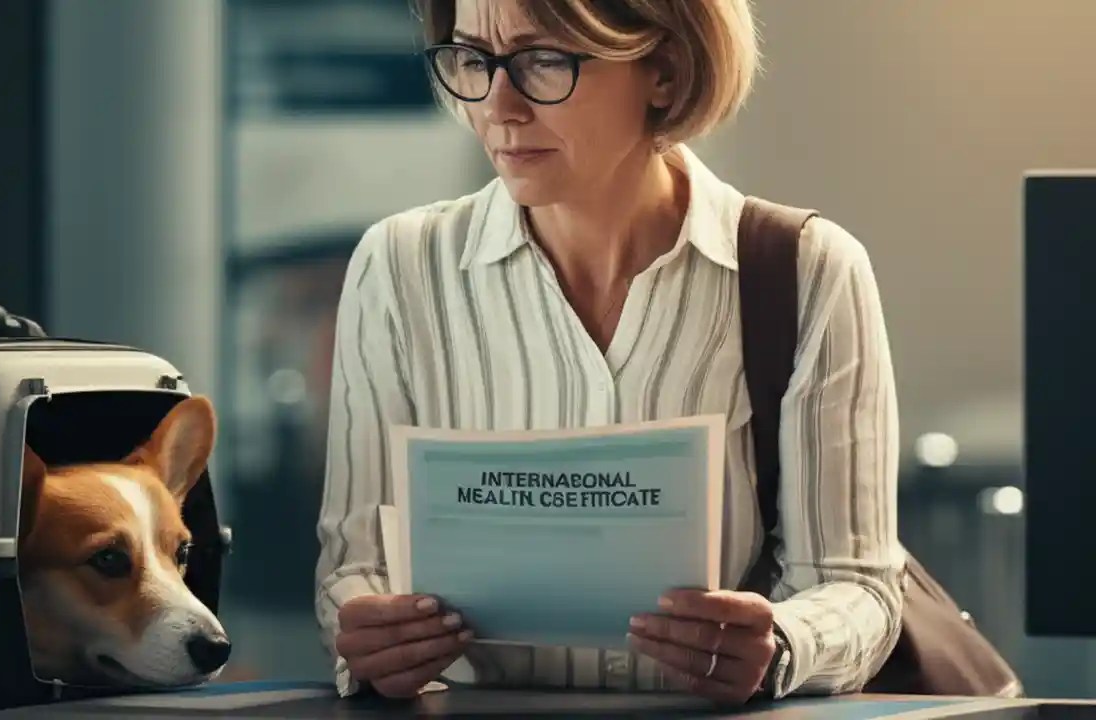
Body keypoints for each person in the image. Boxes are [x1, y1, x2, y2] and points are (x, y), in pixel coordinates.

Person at [314, 0, 904, 706]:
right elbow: (351, 570)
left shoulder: (805, 270)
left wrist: (781, 641)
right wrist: (373, 634)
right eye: (473, 59)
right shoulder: (400, 268)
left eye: (543, 61)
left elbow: (858, 585)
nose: (498, 108)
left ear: (665, 69)